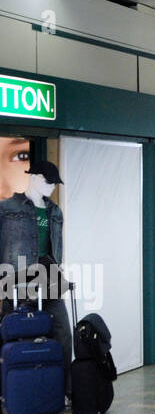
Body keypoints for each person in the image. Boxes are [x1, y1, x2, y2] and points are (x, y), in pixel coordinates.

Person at [0, 159, 74, 382]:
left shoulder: (54, 211)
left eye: (54, 184)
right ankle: (8, 389)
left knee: (63, 332)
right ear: (33, 177)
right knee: (9, 333)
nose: (52, 187)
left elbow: (55, 248)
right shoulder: (7, 208)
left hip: (49, 276)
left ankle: (64, 388)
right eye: (48, 181)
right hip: (15, 277)